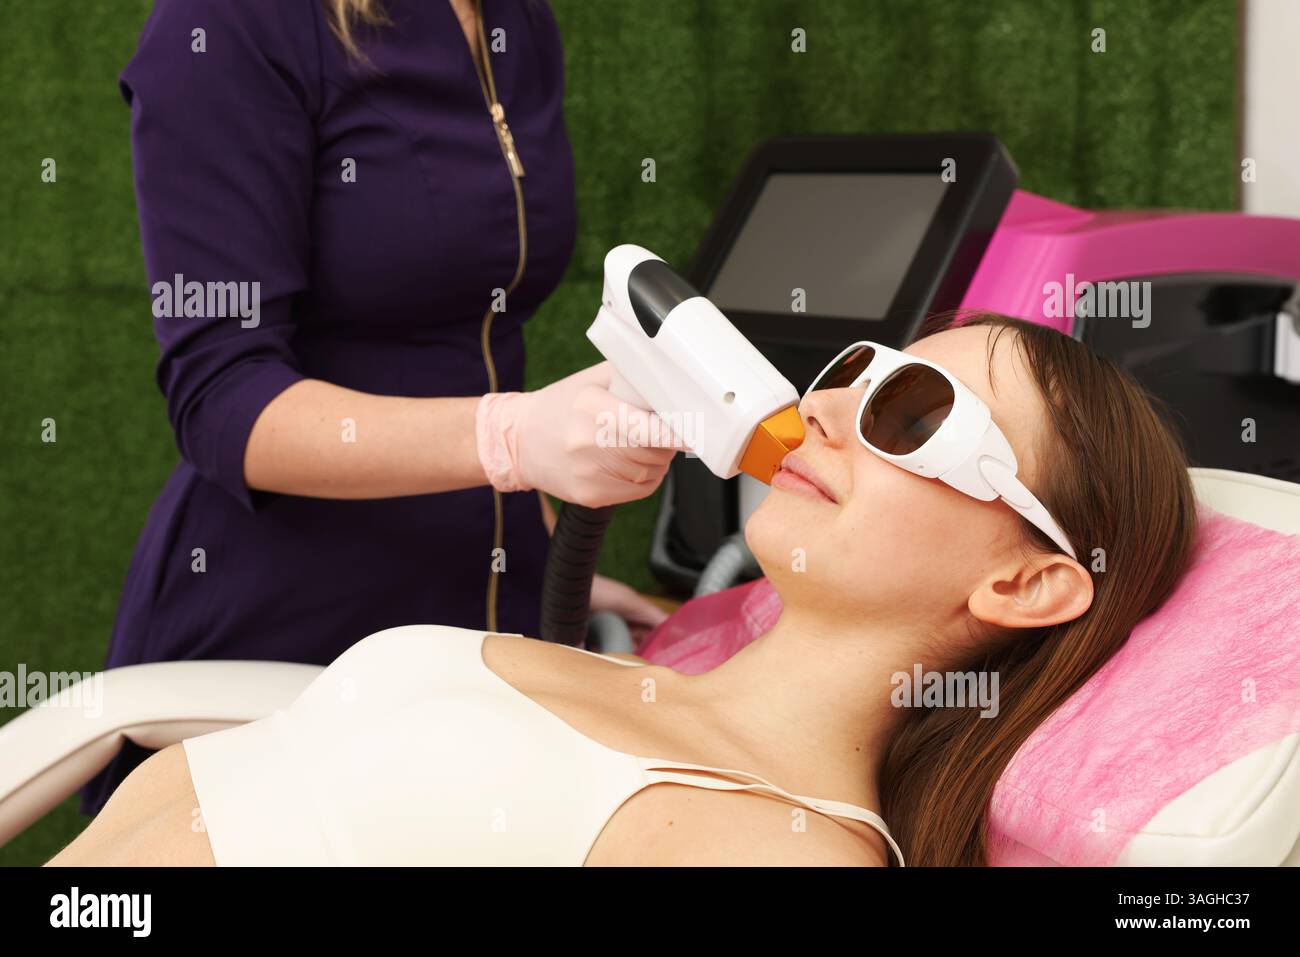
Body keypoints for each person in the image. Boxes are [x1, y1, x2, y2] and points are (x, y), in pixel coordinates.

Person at [49, 317, 1198, 866]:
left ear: (1030, 581)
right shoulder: (636, 693)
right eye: (857, 369)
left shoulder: (790, 852)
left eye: (916, 417)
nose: (832, 407)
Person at [83, 0, 673, 817]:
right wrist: (508, 437)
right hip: (280, 645)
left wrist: (540, 561)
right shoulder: (230, 24)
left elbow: (469, 334)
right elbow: (224, 399)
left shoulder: (516, 23)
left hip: (474, 635)